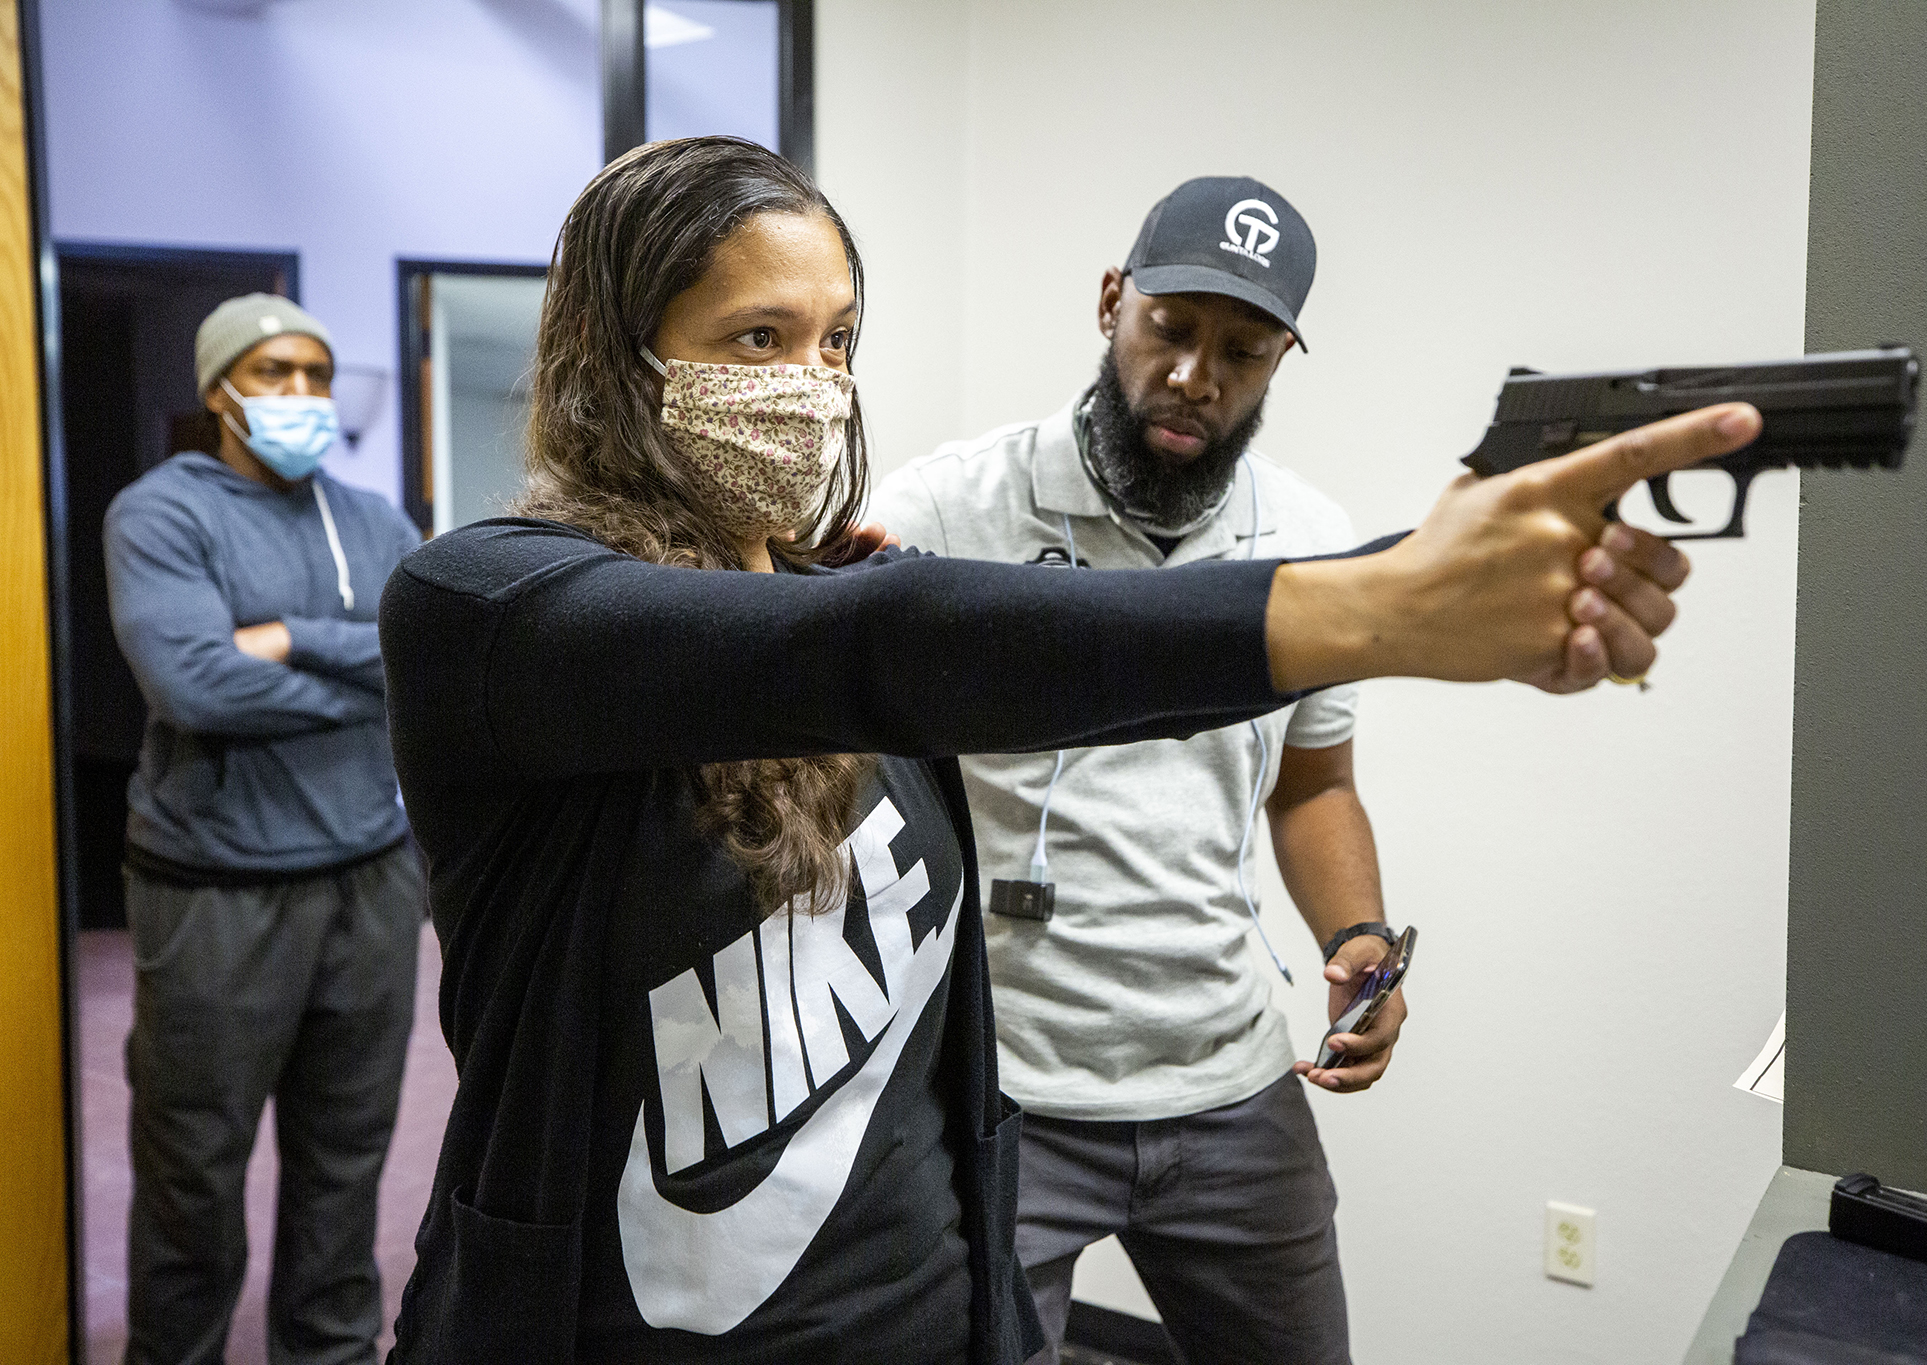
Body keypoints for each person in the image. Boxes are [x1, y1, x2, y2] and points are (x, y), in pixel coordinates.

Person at [378, 136, 1741, 1365]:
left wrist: (1409, 584)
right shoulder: (491, 613)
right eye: (756, 339)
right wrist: (1384, 602)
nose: (813, 389)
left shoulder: (830, 581)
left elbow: (1083, 688)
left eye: (838, 340)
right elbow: (889, 652)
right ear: (621, 354)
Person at [868, 175, 1444, 1361]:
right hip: (1003, 1088)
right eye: (1170, 329)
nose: (1195, 375)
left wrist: (1356, 942)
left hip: (1231, 1085)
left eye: (1241, 348)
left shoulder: (1311, 550)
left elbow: (1313, 785)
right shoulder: (948, 507)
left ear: (1281, 359)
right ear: (1109, 303)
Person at [105, 293, 425, 1364]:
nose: (300, 396)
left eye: (316, 376)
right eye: (273, 373)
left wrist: (286, 637)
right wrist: (362, 678)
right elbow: (194, 686)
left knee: (346, 1164)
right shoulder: (162, 515)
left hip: (370, 885)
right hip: (216, 889)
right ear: (219, 392)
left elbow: (425, 670)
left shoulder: (377, 523)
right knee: (193, 1172)